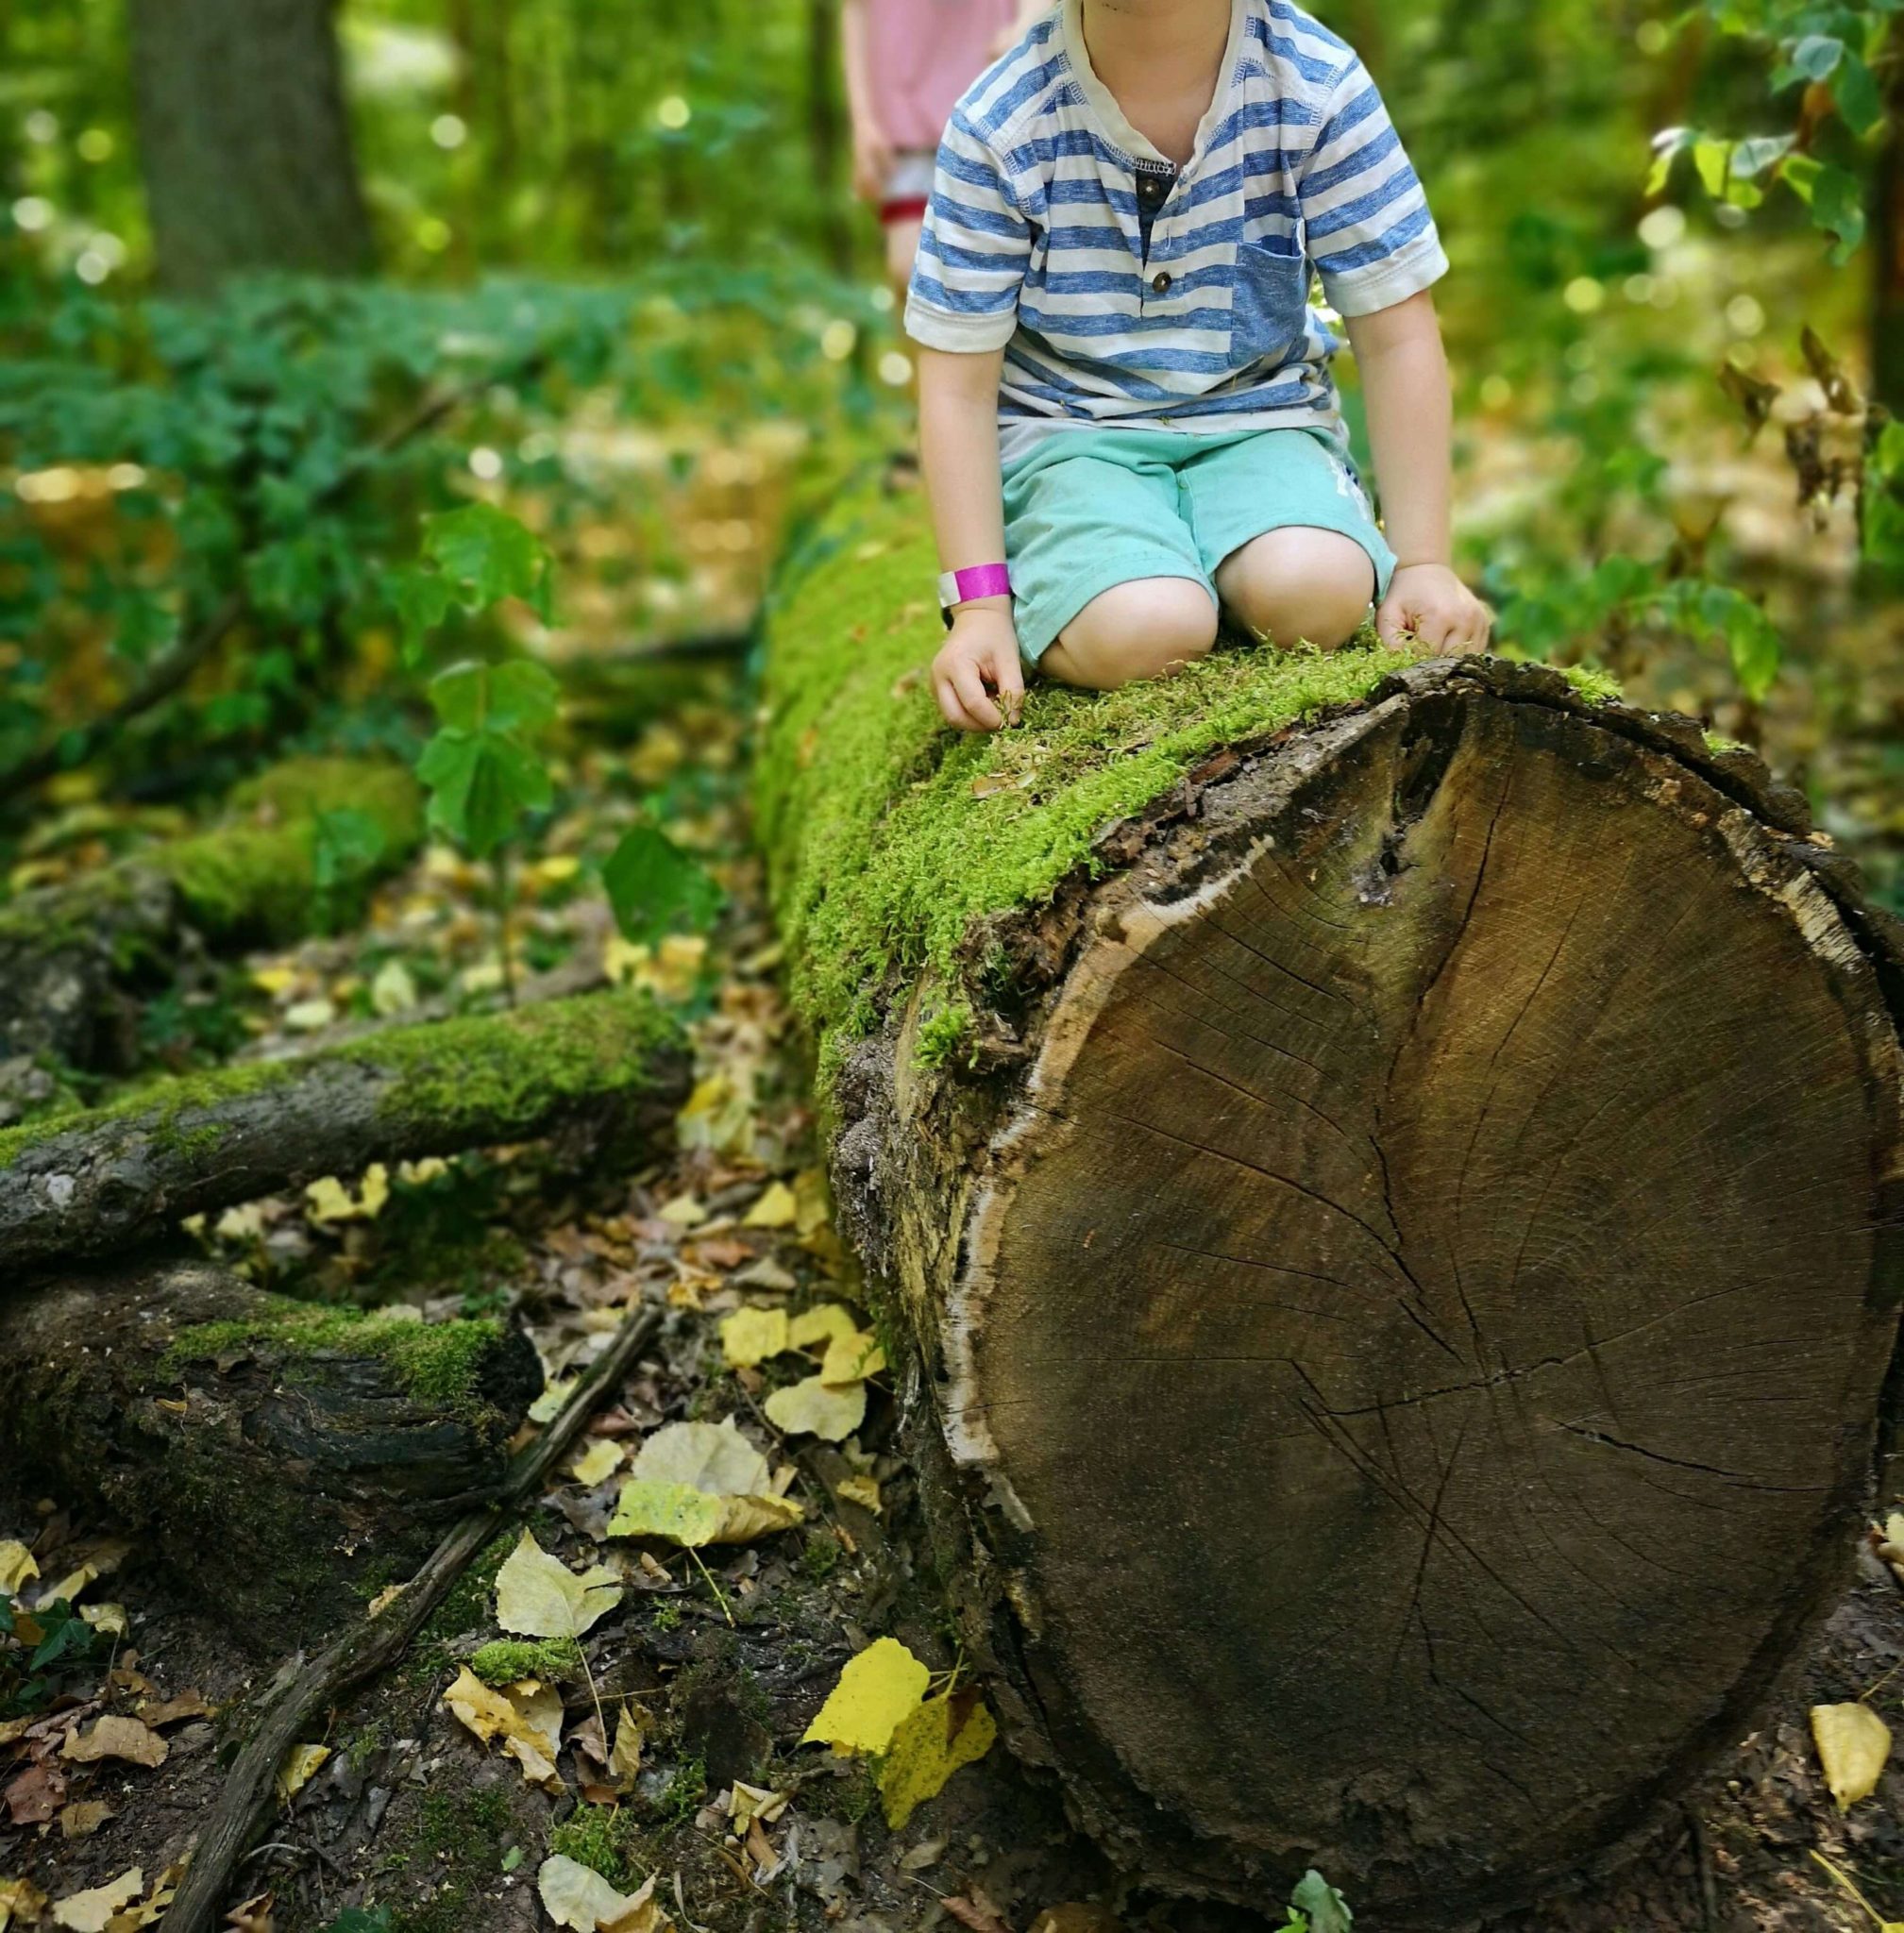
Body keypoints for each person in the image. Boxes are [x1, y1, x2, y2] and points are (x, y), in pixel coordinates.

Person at [906, 0, 1492, 734]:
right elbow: (956, 388)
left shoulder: (1316, 88)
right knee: (1146, 627)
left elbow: (1397, 336)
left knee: (1318, 592)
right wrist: (980, 605)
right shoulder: (1002, 123)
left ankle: (1216, 557)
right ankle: (1122, 577)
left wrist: (1425, 562)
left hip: (1261, 421)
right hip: (1067, 434)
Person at [840, 0, 1028, 308]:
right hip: (904, 120)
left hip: (994, 104)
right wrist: (862, 121)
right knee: (910, 274)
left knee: (996, 278)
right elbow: (856, 8)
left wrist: (1027, 25)